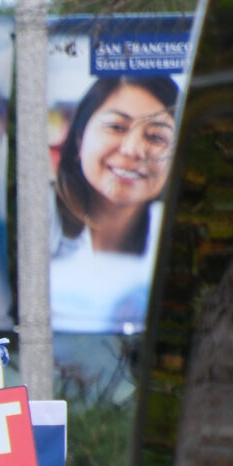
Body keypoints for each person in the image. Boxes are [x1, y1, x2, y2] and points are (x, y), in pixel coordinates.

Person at [50, 75, 180, 332]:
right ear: (79, 138)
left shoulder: (179, 238)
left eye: (156, 137)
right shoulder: (36, 219)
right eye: (117, 127)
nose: (133, 150)